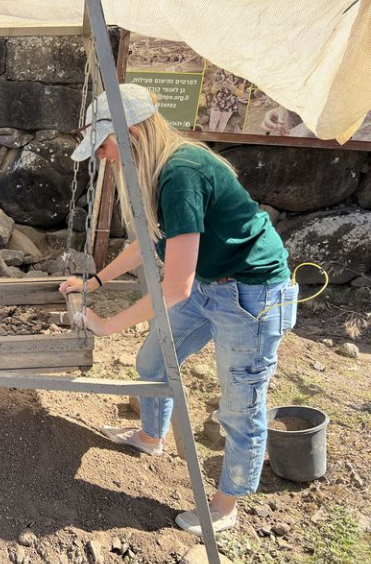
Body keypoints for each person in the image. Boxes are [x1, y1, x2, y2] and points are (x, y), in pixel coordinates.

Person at [60, 85, 299, 536]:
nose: (104, 157)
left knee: (240, 406)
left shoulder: (180, 173)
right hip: (211, 284)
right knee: (152, 361)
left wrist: (107, 324)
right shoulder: (159, 169)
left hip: (251, 296)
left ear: (130, 135)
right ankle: (151, 437)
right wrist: (96, 281)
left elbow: (175, 285)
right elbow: (150, 241)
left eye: (105, 146)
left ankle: (226, 504)